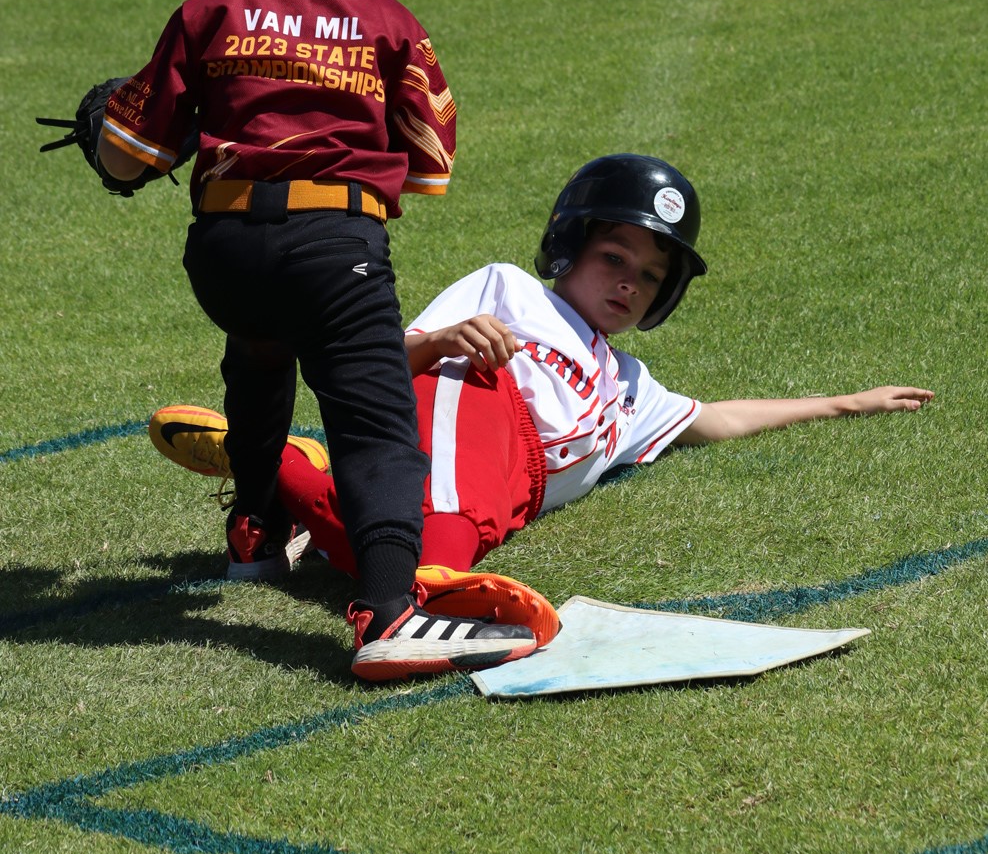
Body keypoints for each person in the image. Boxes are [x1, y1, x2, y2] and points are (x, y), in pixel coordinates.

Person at [152, 153, 933, 666]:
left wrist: (842, 403)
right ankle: (416, 577)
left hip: (503, 491)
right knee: (470, 437)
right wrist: (446, 340)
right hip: (456, 407)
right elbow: (374, 367)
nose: (629, 283)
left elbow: (714, 417)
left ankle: (276, 478)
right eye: (614, 258)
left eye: (650, 277)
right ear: (570, 247)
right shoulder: (510, 291)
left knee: (399, 522)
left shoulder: (630, 384)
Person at [97, 0, 539, 681]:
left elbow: (127, 156)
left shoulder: (205, 11)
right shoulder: (389, 19)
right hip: (335, 243)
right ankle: (389, 612)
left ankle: (254, 530)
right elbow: (427, 167)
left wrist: (108, 125)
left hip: (220, 252)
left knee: (261, 346)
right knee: (375, 421)